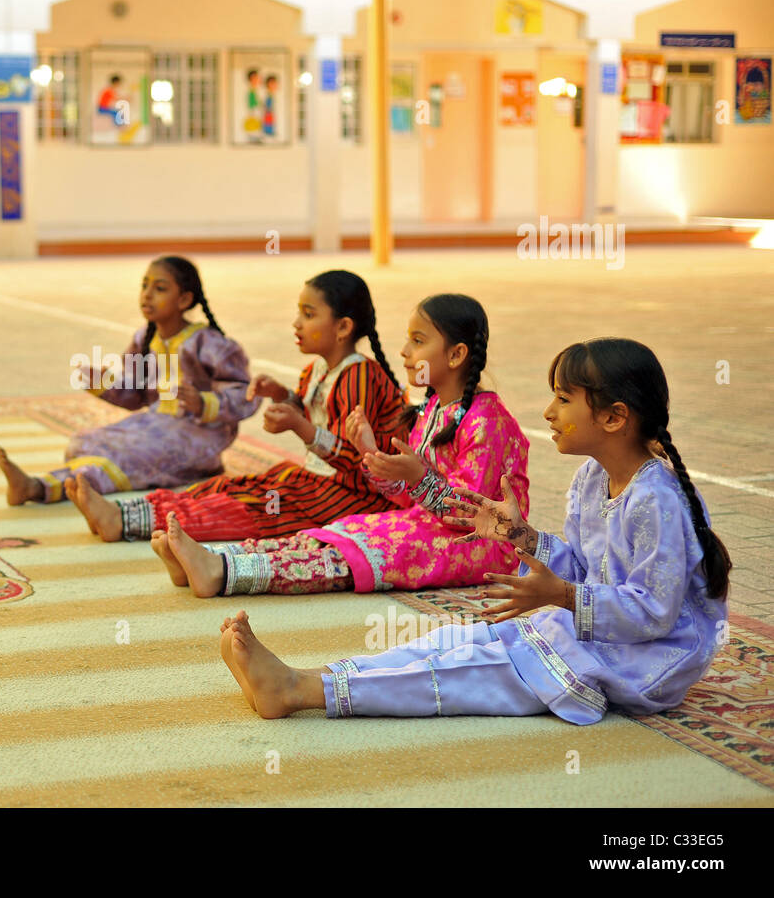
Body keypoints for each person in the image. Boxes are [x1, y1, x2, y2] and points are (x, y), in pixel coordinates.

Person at [218, 338, 730, 725]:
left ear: (615, 417)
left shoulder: (656, 500)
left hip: (643, 658)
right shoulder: (591, 477)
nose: (549, 413)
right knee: (454, 639)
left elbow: (655, 613)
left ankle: (301, 691)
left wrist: (564, 596)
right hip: (592, 627)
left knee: (475, 671)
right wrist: (522, 536)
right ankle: (319, 675)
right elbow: (582, 565)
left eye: (564, 400)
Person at [159, 294, 528, 597]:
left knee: (361, 552)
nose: (403, 352)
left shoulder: (487, 421)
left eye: (418, 341)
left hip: (481, 545)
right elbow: (404, 497)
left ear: (456, 354)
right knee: (341, 532)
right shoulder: (431, 409)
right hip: (424, 523)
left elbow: (477, 516)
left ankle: (222, 573)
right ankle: (212, 557)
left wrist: (418, 478)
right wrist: (373, 456)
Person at [71, 270, 405, 547]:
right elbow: (313, 412)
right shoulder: (316, 370)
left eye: (308, 314)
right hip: (319, 478)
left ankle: (127, 522)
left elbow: (356, 458)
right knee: (230, 485)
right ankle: (129, 511)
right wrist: (281, 395)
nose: (296, 324)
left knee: (256, 508)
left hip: (353, 495)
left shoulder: (360, 375)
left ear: (343, 327)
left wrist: (298, 426)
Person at [0, 255, 259, 509]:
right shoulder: (144, 337)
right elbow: (135, 396)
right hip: (157, 423)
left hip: (199, 434)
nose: (147, 294)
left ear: (185, 299)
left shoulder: (209, 343)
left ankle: (39, 488)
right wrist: (104, 383)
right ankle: (51, 484)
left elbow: (246, 394)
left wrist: (203, 402)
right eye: (144, 286)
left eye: (160, 288)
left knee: (126, 458)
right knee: (83, 443)